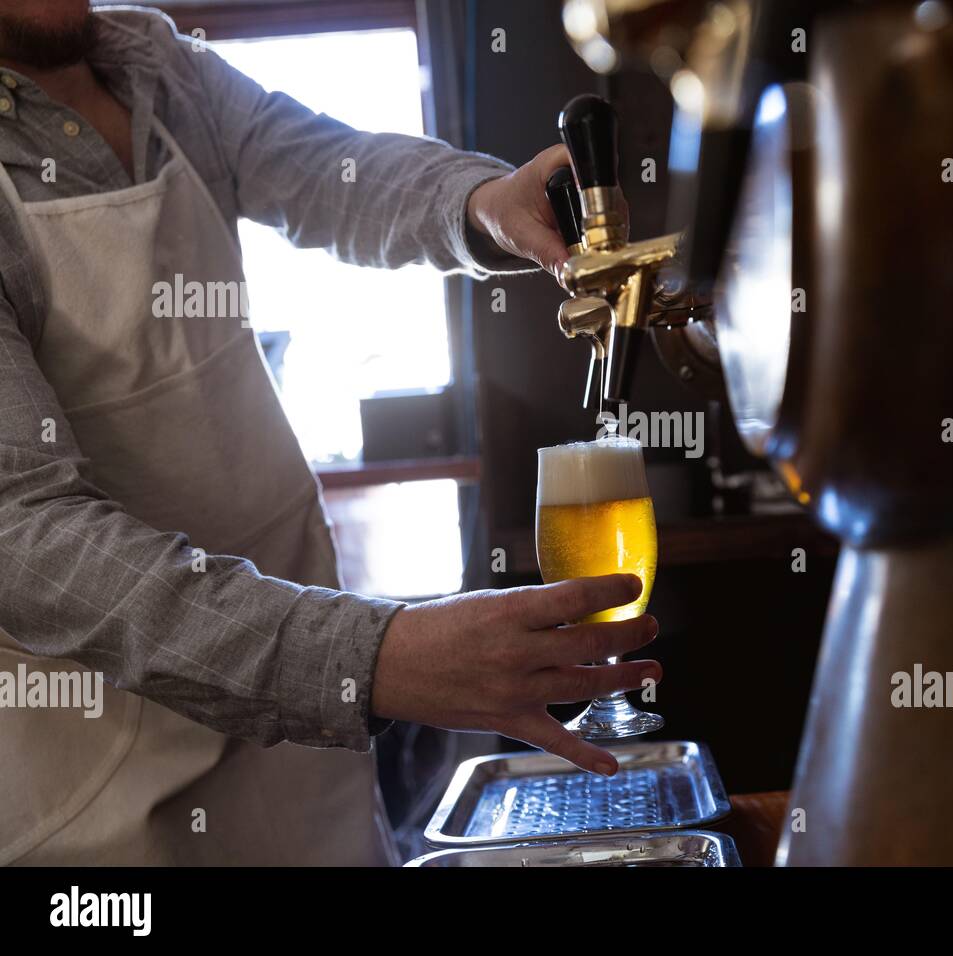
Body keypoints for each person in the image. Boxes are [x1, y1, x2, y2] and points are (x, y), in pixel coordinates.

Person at [0, 1, 662, 865]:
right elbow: (23, 532)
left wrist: (485, 203)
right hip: (103, 764)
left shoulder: (156, 62)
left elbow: (329, 169)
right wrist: (374, 657)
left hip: (300, 737)